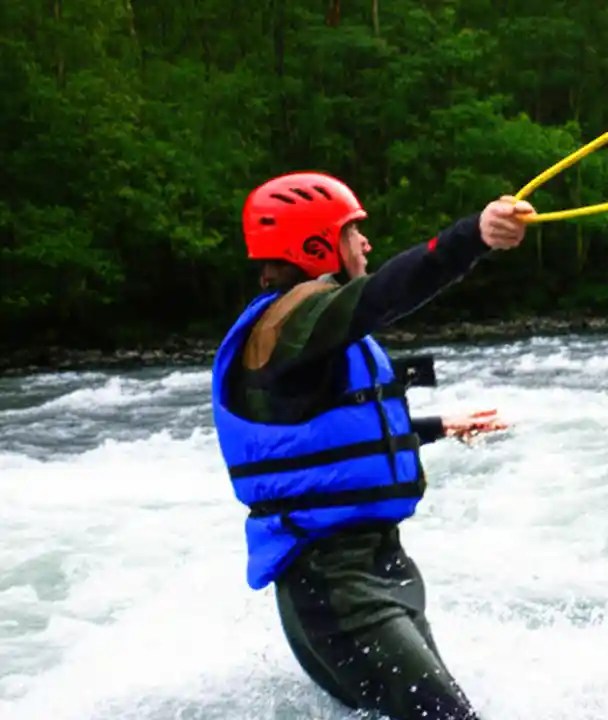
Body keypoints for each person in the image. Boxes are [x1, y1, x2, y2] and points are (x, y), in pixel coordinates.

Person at [208, 171, 533, 720]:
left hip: (376, 567)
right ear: (313, 244)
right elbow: (388, 293)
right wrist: (472, 235)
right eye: (353, 230)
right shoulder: (295, 318)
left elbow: (325, 438)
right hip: (335, 586)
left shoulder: (306, 324)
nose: (365, 243)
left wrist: (431, 427)